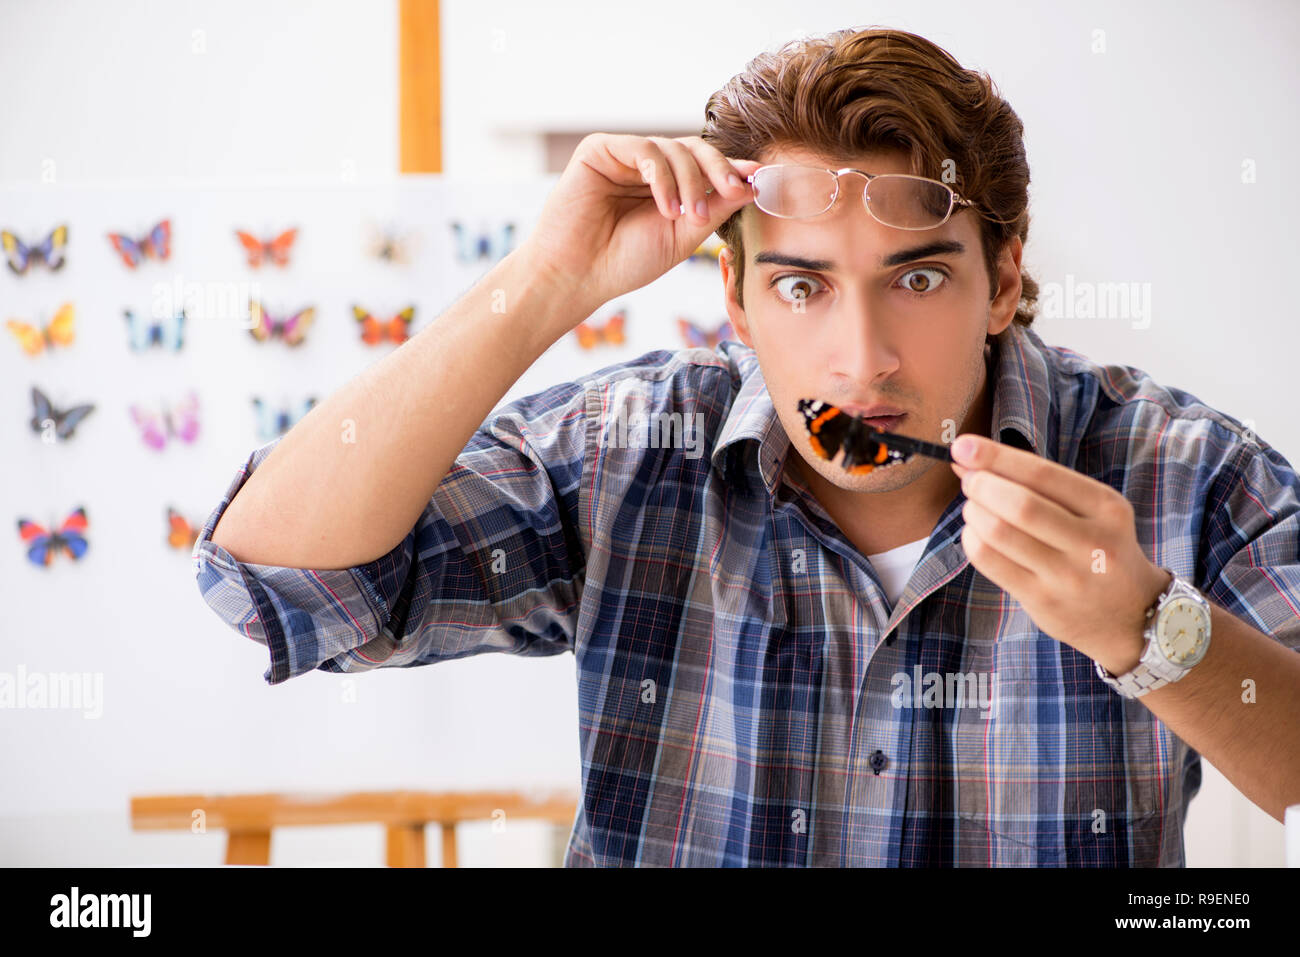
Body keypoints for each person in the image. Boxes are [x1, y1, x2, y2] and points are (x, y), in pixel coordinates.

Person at [194, 26, 1300, 866]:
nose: (862, 360)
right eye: (800, 284)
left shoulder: (1186, 471)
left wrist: (1155, 633)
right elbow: (278, 582)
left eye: (916, 278)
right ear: (732, 291)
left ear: (1002, 278)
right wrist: (540, 287)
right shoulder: (627, 451)